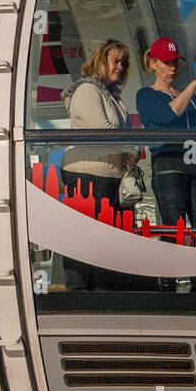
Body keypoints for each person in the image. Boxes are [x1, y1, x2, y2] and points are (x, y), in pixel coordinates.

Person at [136, 36, 196, 293]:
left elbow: (191, 124)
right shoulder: (147, 94)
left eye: (175, 64)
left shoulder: (188, 98)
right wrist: (193, 85)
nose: (172, 69)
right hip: (169, 165)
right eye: (167, 63)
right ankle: (169, 286)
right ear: (153, 64)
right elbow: (166, 115)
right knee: (173, 227)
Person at [60, 39, 144, 290]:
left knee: (110, 240)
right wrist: (131, 148)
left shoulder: (114, 97)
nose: (120, 66)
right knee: (88, 239)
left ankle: (107, 290)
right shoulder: (88, 90)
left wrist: (131, 151)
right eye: (115, 61)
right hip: (87, 175)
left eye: (123, 63)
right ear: (101, 61)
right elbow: (103, 130)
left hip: (111, 177)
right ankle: (82, 293)